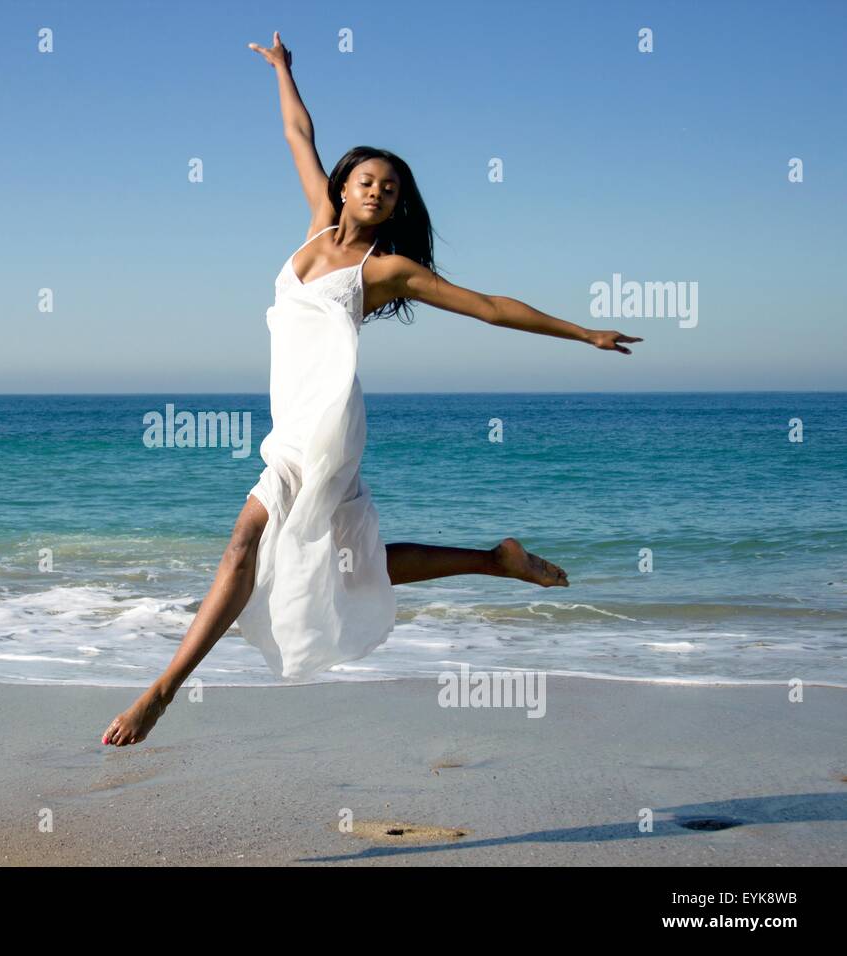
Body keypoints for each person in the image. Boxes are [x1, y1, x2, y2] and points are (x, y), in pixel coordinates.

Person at [101, 32, 641, 747]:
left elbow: (486, 305)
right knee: (352, 567)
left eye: (391, 190)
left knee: (245, 545)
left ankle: (161, 693)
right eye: (368, 181)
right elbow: (299, 133)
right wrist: (284, 72)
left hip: (321, 425)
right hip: (296, 413)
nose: (379, 193)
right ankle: (495, 560)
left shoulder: (386, 271)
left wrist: (582, 333)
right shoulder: (314, 228)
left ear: (395, 206)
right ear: (345, 186)